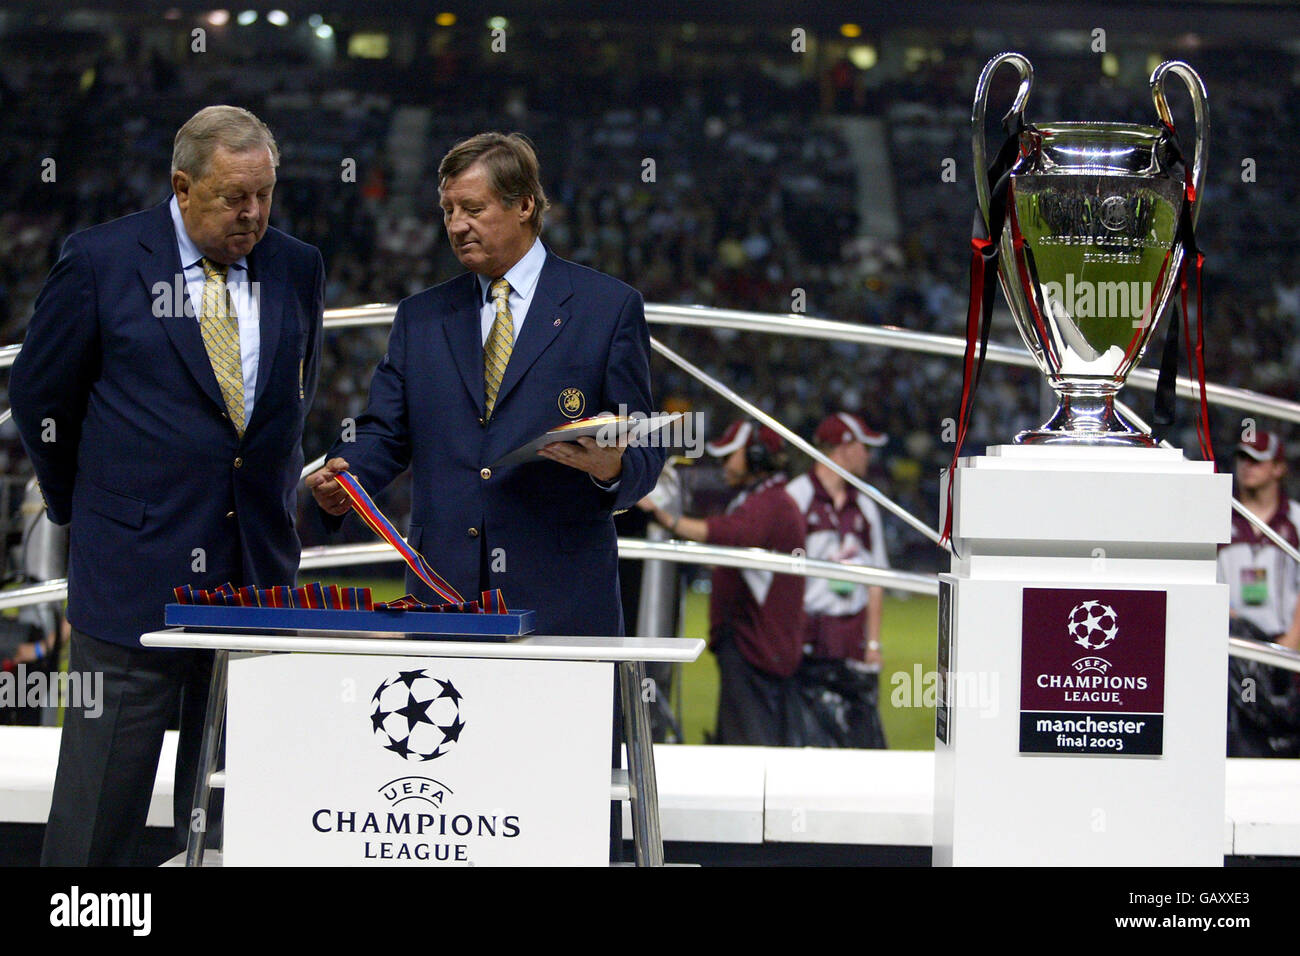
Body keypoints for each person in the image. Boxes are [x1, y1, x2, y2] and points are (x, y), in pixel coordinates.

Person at [10, 105, 325, 865]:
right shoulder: (100, 262)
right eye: (232, 197)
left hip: (255, 577)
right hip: (132, 573)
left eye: (264, 194)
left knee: (236, 819)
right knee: (98, 819)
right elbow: (37, 396)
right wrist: (81, 505)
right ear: (181, 186)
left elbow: (290, 400)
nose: (252, 214)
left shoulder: (297, 265)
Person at [307, 132, 663, 635]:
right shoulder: (420, 317)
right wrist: (346, 475)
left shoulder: (607, 309)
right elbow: (385, 433)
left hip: (561, 603)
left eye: (472, 208)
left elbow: (647, 449)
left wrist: (613, 467)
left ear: (524, 205)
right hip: (444, 597)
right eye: (448, 210)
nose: (456, 225)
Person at [640, 420, 805, 746]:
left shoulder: (770, 503)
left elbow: (727, 533)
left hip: (755, 648)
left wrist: (664, 517)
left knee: (749, 747)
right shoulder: (764, 499)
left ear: (757, 457)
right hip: (753, 644)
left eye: (730, 454)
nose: (723, 463)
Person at [784, 412, 890, 748]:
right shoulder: (796, 497)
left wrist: (872, 644)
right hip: (806, 635)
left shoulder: (865, 503)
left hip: (852, 637)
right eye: (864, 446)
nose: (869, 455)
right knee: (807, 739)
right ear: (843, 448)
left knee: (858, 739)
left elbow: (876, 579)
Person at [1219, 430, 1300, 756]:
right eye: (1242, 458)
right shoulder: (1218, 517)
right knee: (1241, 744)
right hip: (1233, 646)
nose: (1248, 467)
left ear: (1278, 468)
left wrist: (1292, 639)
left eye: (1258, 460)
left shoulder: (1295, 519)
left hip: (1285, 644)